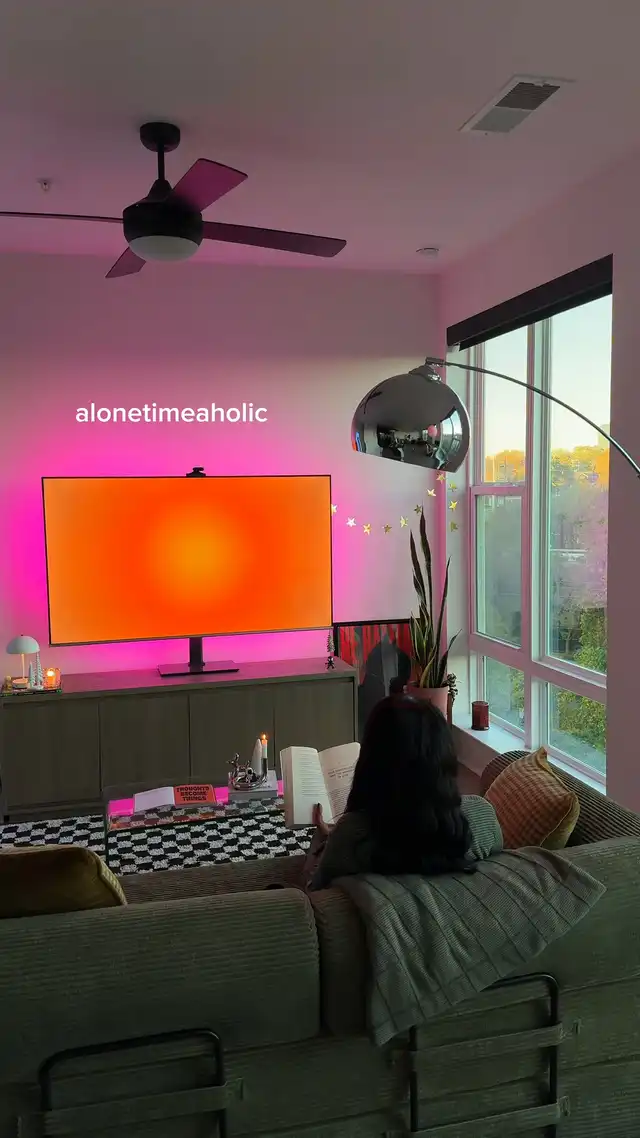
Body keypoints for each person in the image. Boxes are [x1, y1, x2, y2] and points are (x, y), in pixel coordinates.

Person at [304, 693, 503, 891]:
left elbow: (314, 895)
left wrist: (321, 846)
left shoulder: (352, 837)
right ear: (445, 755)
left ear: (372, 763)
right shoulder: (482, 814)